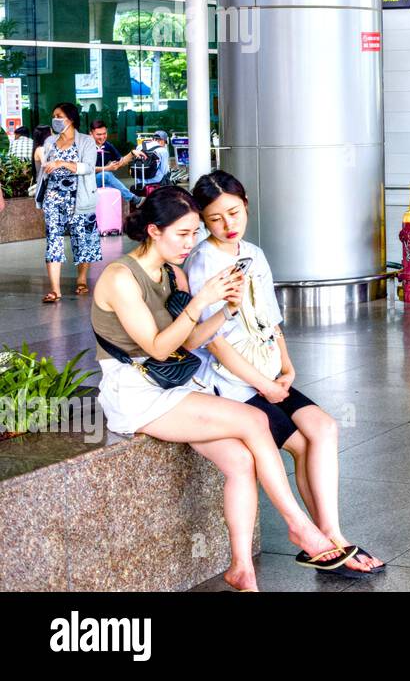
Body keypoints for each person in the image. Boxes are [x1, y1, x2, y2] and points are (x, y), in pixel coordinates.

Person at [91, 187, 359, 591]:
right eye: (183, 234)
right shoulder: (120, 277)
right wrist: (202, 300)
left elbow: (191, 341)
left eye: (195, 232)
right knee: (254, 421)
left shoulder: (172, 272)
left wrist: (227, 308)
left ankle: (241, 570)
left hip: (175, 384)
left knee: (239, 461)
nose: (191, 242)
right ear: (153, 230)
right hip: (135, 393)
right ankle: (299, 526)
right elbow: (160, 346)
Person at [187, 171, 382, 578]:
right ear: (204, 221)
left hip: (270, 372)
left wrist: (287, 366)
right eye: (216, 218)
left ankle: (332, 532)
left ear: (246, 206)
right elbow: (214, 341)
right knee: (299, 443)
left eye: (235, 212)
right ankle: (322, 541)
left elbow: (271, 320)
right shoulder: (203, 262)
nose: (228, 224)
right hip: (234, 385)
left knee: (324, 428)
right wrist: (262, 385)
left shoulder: (254, 253)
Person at [34, 103, 103, 303]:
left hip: (79, 197)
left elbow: (89, 167)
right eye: (54, 115)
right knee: (53, 241)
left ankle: (81, 279)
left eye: (59, 116)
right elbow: (44, 167)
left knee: (83, 240)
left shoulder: (86, 141)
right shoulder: (49, 141)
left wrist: (62, 163)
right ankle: (55, 290)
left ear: (70, 119)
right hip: (53, 198)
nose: (55, 119)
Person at [90, 120, 143, 207]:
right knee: (106, 175)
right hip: (86, 181)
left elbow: (120, 162)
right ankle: (134, 199)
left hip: (100, 181)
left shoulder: (107, 146)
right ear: (91, 134)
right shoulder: (85, 147)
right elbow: (85, 168)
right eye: (98, 134)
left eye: (104, 133)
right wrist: (107, 168)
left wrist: (132, 153)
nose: (102, 137)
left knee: (111, 186)